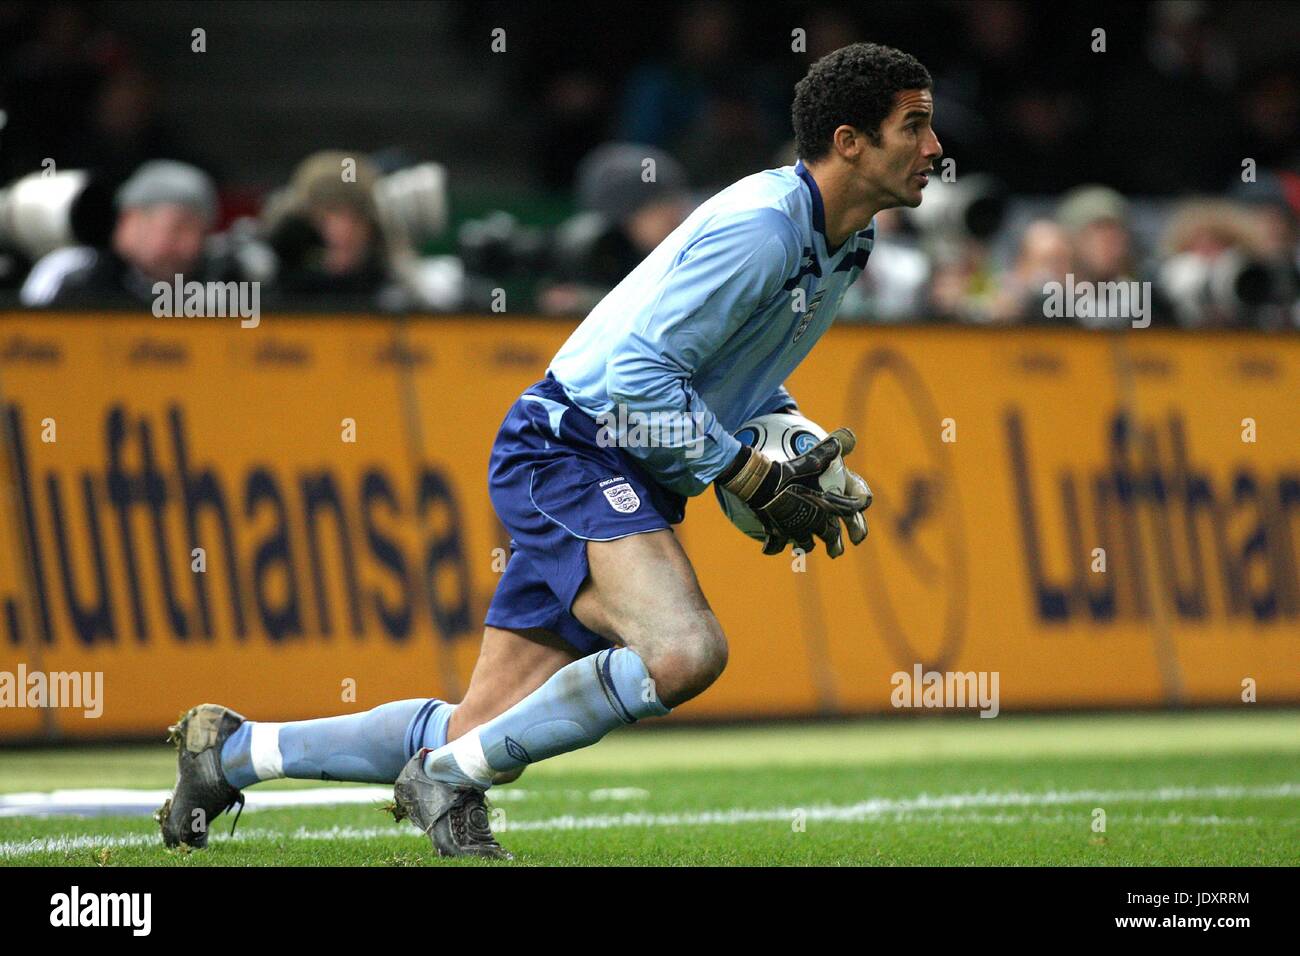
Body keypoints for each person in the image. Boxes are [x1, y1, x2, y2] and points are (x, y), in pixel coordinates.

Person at [157, 42, 940, 858]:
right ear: (849, 141)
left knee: (478, 721)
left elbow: (731, 374)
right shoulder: (765, 230)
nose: (933, 148)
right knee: (684, 652)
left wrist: (788, 443)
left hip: (620, 464)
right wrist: (745, 471)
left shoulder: (847, 243)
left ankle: (236, 754)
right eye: (913, 126)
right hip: (573, 447)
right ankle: (450, 779)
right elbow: (638, 375)